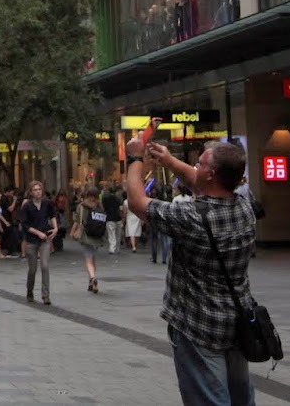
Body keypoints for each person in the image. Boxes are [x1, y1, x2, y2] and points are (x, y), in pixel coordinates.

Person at [124, 134, 258, 406]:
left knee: (210, 400)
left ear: (210, 175)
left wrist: (135, 158)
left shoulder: (191, 217)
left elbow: (137, 202)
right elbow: (204, 182)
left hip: (198, 326)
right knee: (240, 398)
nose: (195, 167)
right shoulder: (245, 209)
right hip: (236, 322)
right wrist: (169, 160)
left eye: (200, 164)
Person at [20, 181, 59, 305]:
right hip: (32, 240)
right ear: (31, 192)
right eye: (35, 190)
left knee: (45, 266)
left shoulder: (47, 203)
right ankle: (29, 291)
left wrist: (55, 228)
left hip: (45, 239)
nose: (38, 192)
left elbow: (52, 215)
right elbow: (25, 225)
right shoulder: (27, 206)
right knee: (32, 269)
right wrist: (37, 233)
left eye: (39, 189)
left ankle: (45, 295)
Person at [70, 185, 108, 293]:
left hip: (86, 235)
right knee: (92, 257)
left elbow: (77, 221)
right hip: (97, 236)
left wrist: (72, 232)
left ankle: (92, 278)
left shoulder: (81, 206)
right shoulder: (100, 206)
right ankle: (91, 283)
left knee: (88, 259)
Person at [102, 184, 124, 254]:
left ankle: (112, 248)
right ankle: (117, 248)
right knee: (118, 235)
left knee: (111, 234)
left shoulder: (105, 199)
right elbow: (121, 208)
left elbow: (104, 208)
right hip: (117, 218)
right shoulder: (118, 199)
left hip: (109, 218)